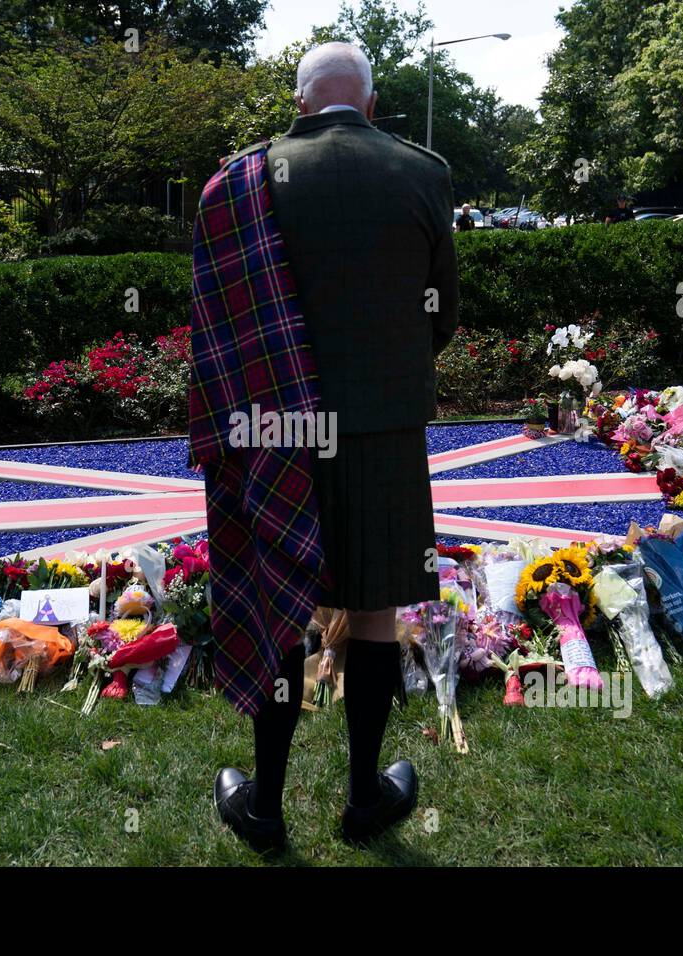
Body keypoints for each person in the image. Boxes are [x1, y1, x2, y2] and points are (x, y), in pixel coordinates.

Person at [189, 41, 459, 852]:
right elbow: (440, 313)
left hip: (276, 435)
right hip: (381, 433)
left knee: (280, 618)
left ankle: (264, 809)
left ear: (299, 102)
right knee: (373, 615)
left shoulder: (237, 182)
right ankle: (364, 799)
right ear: (371, 104)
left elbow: (217, 328)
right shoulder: (423, 171)